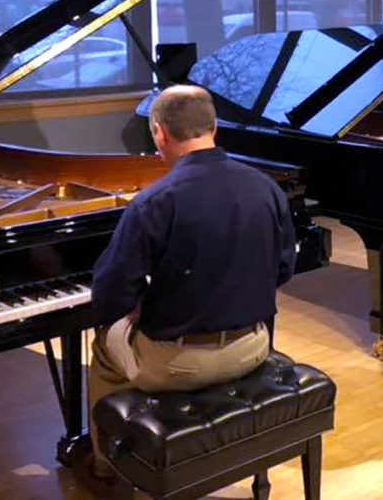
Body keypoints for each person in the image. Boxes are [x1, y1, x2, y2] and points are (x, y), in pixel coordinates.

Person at [75, 85, 297, 494]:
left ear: (158, 133)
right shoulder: (264, 186)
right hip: (253, 347)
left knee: (105, 346)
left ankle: (109, 465)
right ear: (214, 126)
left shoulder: (155, 201)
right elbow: (283, 268)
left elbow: (109, 292)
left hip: (180, 364)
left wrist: (137, 309)